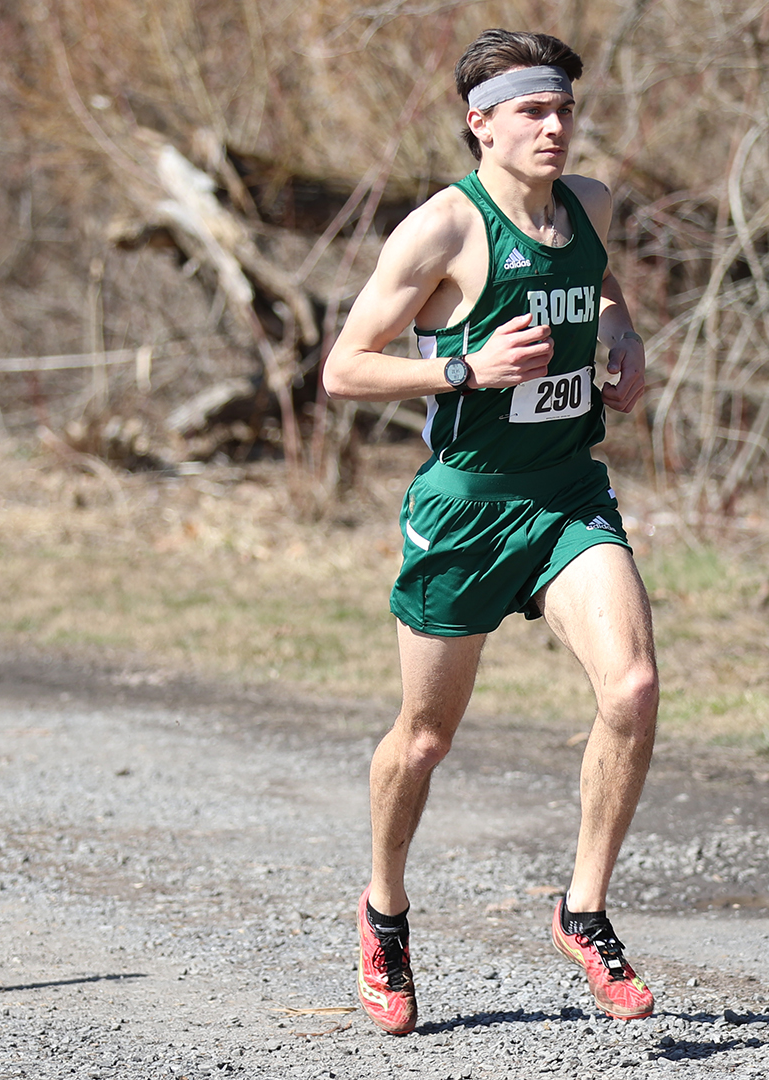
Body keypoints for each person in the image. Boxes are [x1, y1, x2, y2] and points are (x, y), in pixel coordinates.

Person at [321, 28, 659, 1035]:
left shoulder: (590, 206)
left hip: (565, 495)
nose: (555, 128)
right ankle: (384, 913)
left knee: (633, 688)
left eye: (563, 110)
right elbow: (344, 367)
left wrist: (625, 345)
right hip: (465, 508)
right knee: (426, 740)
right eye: (533, 113)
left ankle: (583, 910)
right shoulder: (442, 231)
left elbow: (611, 303)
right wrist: (463, 369)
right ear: (482, 124)